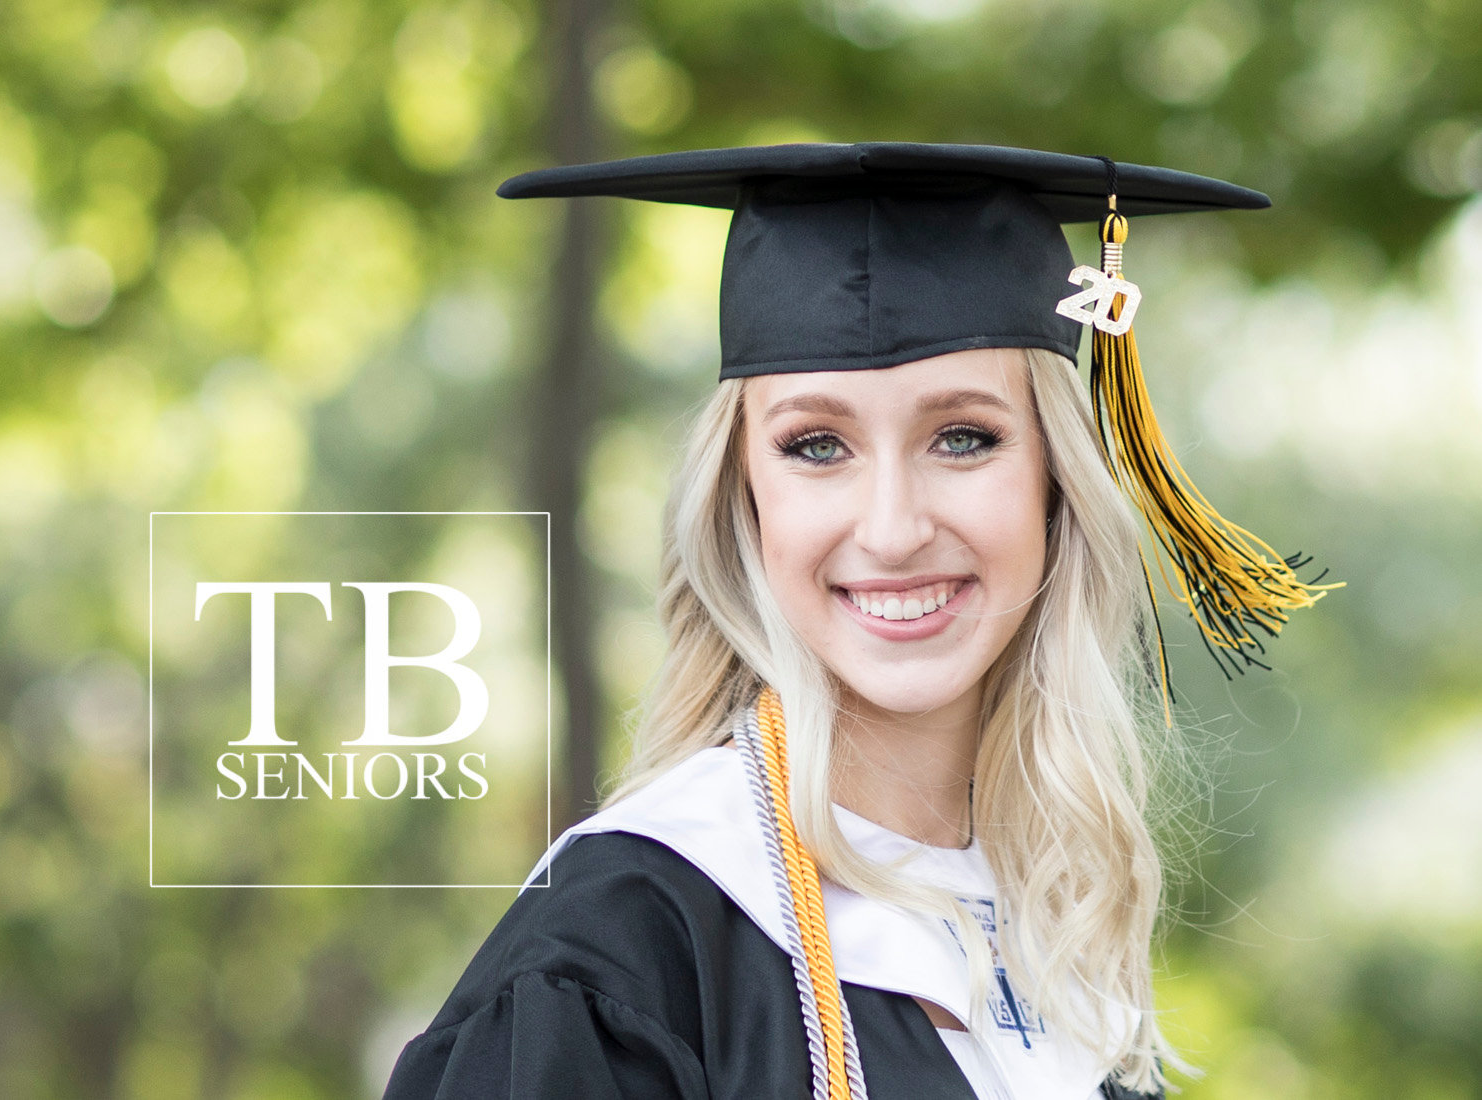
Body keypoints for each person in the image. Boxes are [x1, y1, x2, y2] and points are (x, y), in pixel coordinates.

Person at [382, 143, 1332, 1099]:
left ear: (1056, 483)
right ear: (743, 497)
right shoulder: (625, 945)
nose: (892, 528)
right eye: (817, 445)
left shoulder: (1059, 941)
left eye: (964, 438)